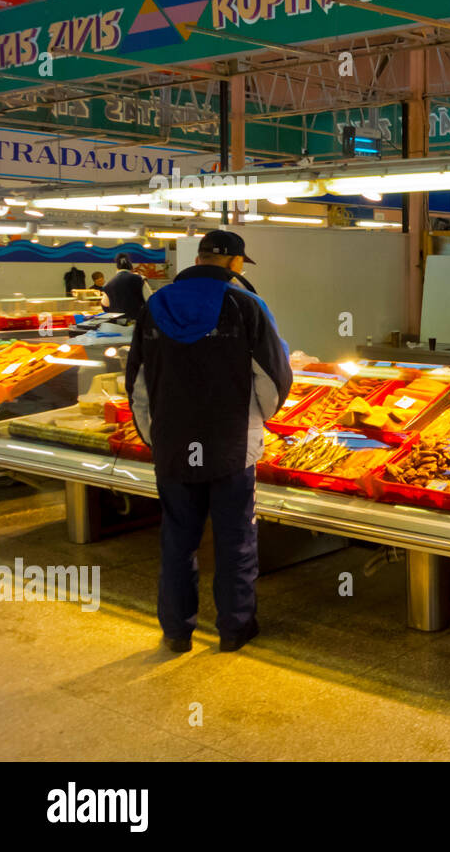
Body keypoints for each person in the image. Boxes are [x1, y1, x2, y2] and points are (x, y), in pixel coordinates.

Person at [125, 230, 292, 654]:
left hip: (173, 442)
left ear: (198, 258)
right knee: (236, 538)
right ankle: (235, 629)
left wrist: (153, 435)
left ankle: (177, 632)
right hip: (232, 444)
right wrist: (257, 420)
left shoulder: (155, 305)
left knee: (178, 538)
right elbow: (272, 379)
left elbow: (138, 383)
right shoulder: (247, 305)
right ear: (235, 263)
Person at [101, 252, 150, 322]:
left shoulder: (108, 284)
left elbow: (105, 305)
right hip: (137, 323)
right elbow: (151, 300)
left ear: (117, 268)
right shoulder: (140, 279)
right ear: (131, 268)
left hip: (118, 325)